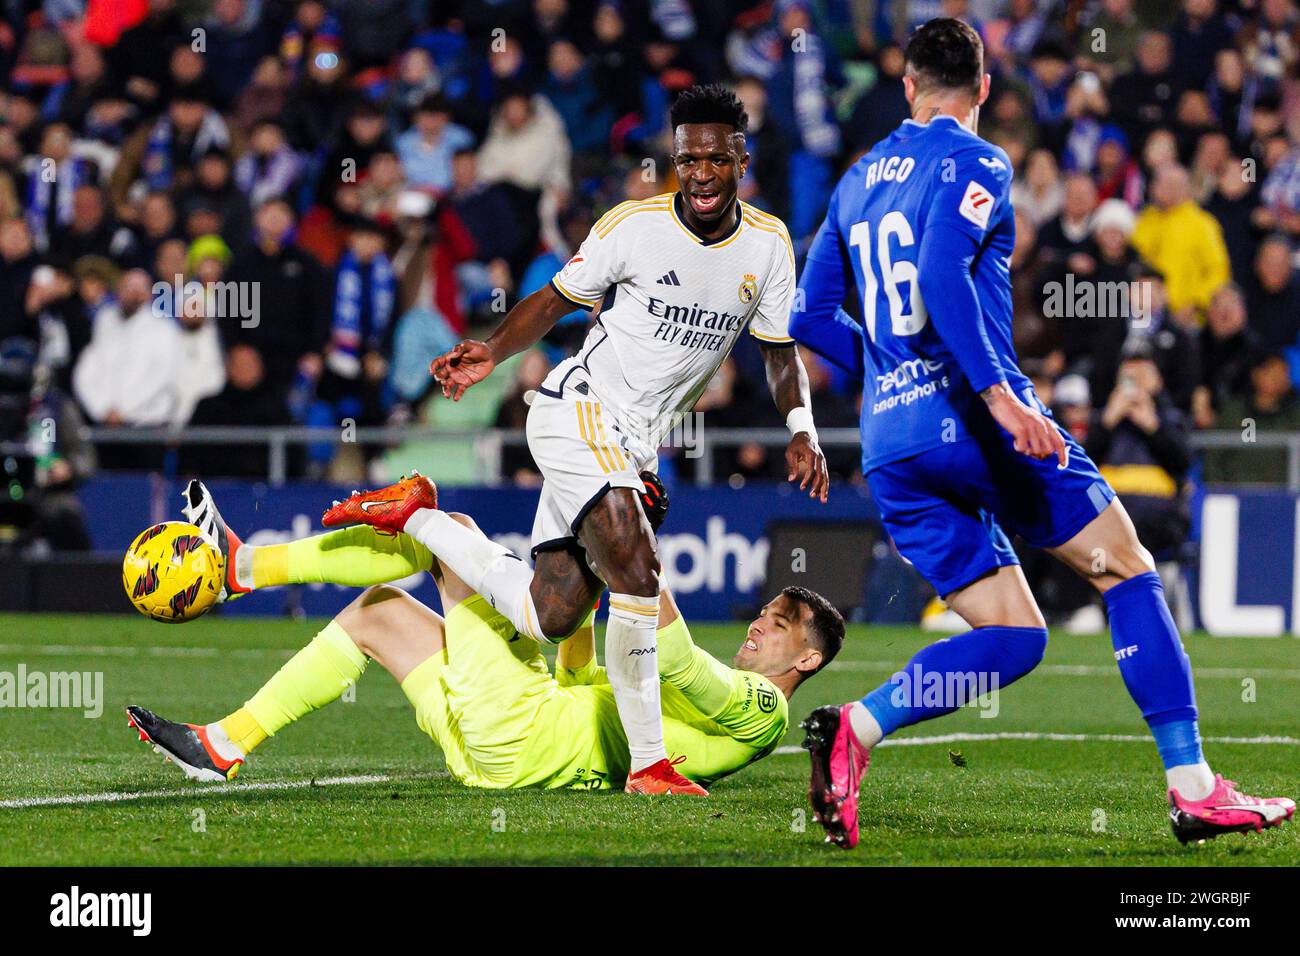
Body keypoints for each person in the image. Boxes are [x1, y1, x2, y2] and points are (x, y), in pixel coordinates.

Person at [789, 18, 1293, 849]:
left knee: (1016, 636)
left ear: (908, 88)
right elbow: (945, 274)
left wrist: (886, 374)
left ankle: (857, 729)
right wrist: (999, 398)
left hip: (892, 447)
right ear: (985, 87)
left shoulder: (853, 182)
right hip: (974, 427)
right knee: (1128, 570)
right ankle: (1195, 787)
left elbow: (810, 315)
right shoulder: (978, 161)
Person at [340, 85, 828, 797]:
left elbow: (779, 353)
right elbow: (553, 302)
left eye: (714, 159)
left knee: (550, 614)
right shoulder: (631, 226)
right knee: (636, 567)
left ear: (740, 160)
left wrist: (801, 430)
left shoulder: (769, 246)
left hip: (634, 444)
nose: (697, 172)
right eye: (685, 158)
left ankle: (418, 515)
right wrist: (492, 352)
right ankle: (651, 765)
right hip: (580, 409)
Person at [127, 486, 843, 793]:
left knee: (450, 534)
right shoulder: (688, 712)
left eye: (779, 624)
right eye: (767, 611)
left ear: (806, 660)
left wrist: (628, 540)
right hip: (509, 749)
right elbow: (577, 678)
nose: (758, 623)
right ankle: (223, 744)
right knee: (378, 612)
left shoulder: (762, 711)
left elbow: (681, 660)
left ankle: (240, 568)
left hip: (519, 735)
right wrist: (598, 573)